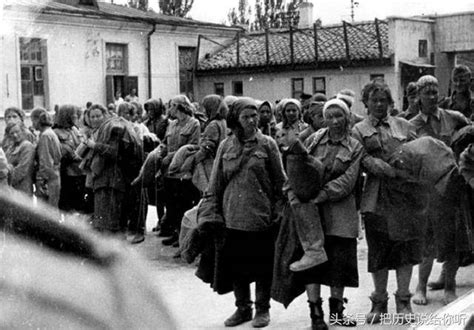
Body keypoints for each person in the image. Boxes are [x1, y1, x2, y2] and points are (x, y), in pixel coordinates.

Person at [203, 97, 286, 328]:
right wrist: (213, 212)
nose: (252, 120)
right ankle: (243, 308)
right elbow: (215, 182)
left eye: (254, 115)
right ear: (235, 120)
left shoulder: (268, 144)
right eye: (246, 117)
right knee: (237, 267)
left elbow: (281, 183)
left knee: (261, 267)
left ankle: (262, 309)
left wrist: (278, 211)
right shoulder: (225, 145)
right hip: (232, 217)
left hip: (261, 217)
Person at [287, 98, 363, 329]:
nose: (335, 121)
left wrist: (321, 195)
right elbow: (297, 161)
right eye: (329, 116)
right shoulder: (314, 139)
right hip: (312, 214)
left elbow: (348, 181)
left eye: (339, 115)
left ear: (348, 117)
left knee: (339, 263)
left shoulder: (355, 146)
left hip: (340, 212)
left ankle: (337, 311)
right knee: (313, 263)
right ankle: (316, 314)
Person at [352, 80, 419, 324]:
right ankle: (379, 302)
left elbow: (417, 153)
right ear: (366, 103)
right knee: (378, 252)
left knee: (404, 250)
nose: (379, 104)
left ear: (390, 102)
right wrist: (379, 166)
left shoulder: (404, 125)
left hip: (403, 197)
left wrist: (405, 167)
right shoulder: (358, 129)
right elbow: (360, 157)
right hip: (375, 198)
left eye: (383, 100)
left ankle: (404, 300)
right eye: (374, 100)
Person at [409, 75, 470, 306]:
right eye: (427, 92)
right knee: (427, 243)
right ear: (419, 96)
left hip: (452, 188)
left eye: (435, 92)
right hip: (426, 191)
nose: (432, 97)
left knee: (452, 241)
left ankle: (450, 287)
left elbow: (470, 131)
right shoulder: (411, 124)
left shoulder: (452, 117)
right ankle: (420, 287)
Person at [86, 112, 142, 236]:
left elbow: (114, 152)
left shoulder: (113, 129)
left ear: (105, 116)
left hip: (109, 180)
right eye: (92, 116)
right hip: (105, 179)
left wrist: (95, 146)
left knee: (108, 221)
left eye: (98, 116)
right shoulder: (102, 130)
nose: (95, 119)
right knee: (106, 219)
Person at [160, 95, 201, 246]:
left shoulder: (193, 124)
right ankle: (176, 233)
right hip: (170, 171)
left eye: (172, 106)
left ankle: (185, 238)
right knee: (171, 205)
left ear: (179, 107)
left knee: (184, 204)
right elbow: (165, 143)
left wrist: (172, 155)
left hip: (184, 171)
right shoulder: (171, 125)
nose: (169, 109)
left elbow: (194, 146)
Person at [191, 94, 228, 193]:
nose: (203, 111)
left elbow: (208, 146)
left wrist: (195, 159)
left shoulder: (213, 125)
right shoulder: (223, 121)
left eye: (205, 107)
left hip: (210, 164)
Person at [54, 104, 86, 213]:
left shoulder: (74, 130)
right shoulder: (56, 132)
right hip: (68, 174)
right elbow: (62, 153)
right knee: (69, 207)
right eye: (74, 115)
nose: (77, 117)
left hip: (80, 172)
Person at [31, 108, 61, 208]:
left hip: (48, 179)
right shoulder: (50, 133)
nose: (32, 124)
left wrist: (40, 181)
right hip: (54, 176)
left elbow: (46, 162)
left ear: (37, 120)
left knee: (48, 211)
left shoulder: (45, 136)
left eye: (32, 121)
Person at [4, 122, 35, 196]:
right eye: (12, 133)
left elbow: (22, 170)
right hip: (11, 188)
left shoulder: (27, 146)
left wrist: (6, 180)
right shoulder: (11, 148)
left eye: (17, 132)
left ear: (22, 131)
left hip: (23, 188)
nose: (15, 135)